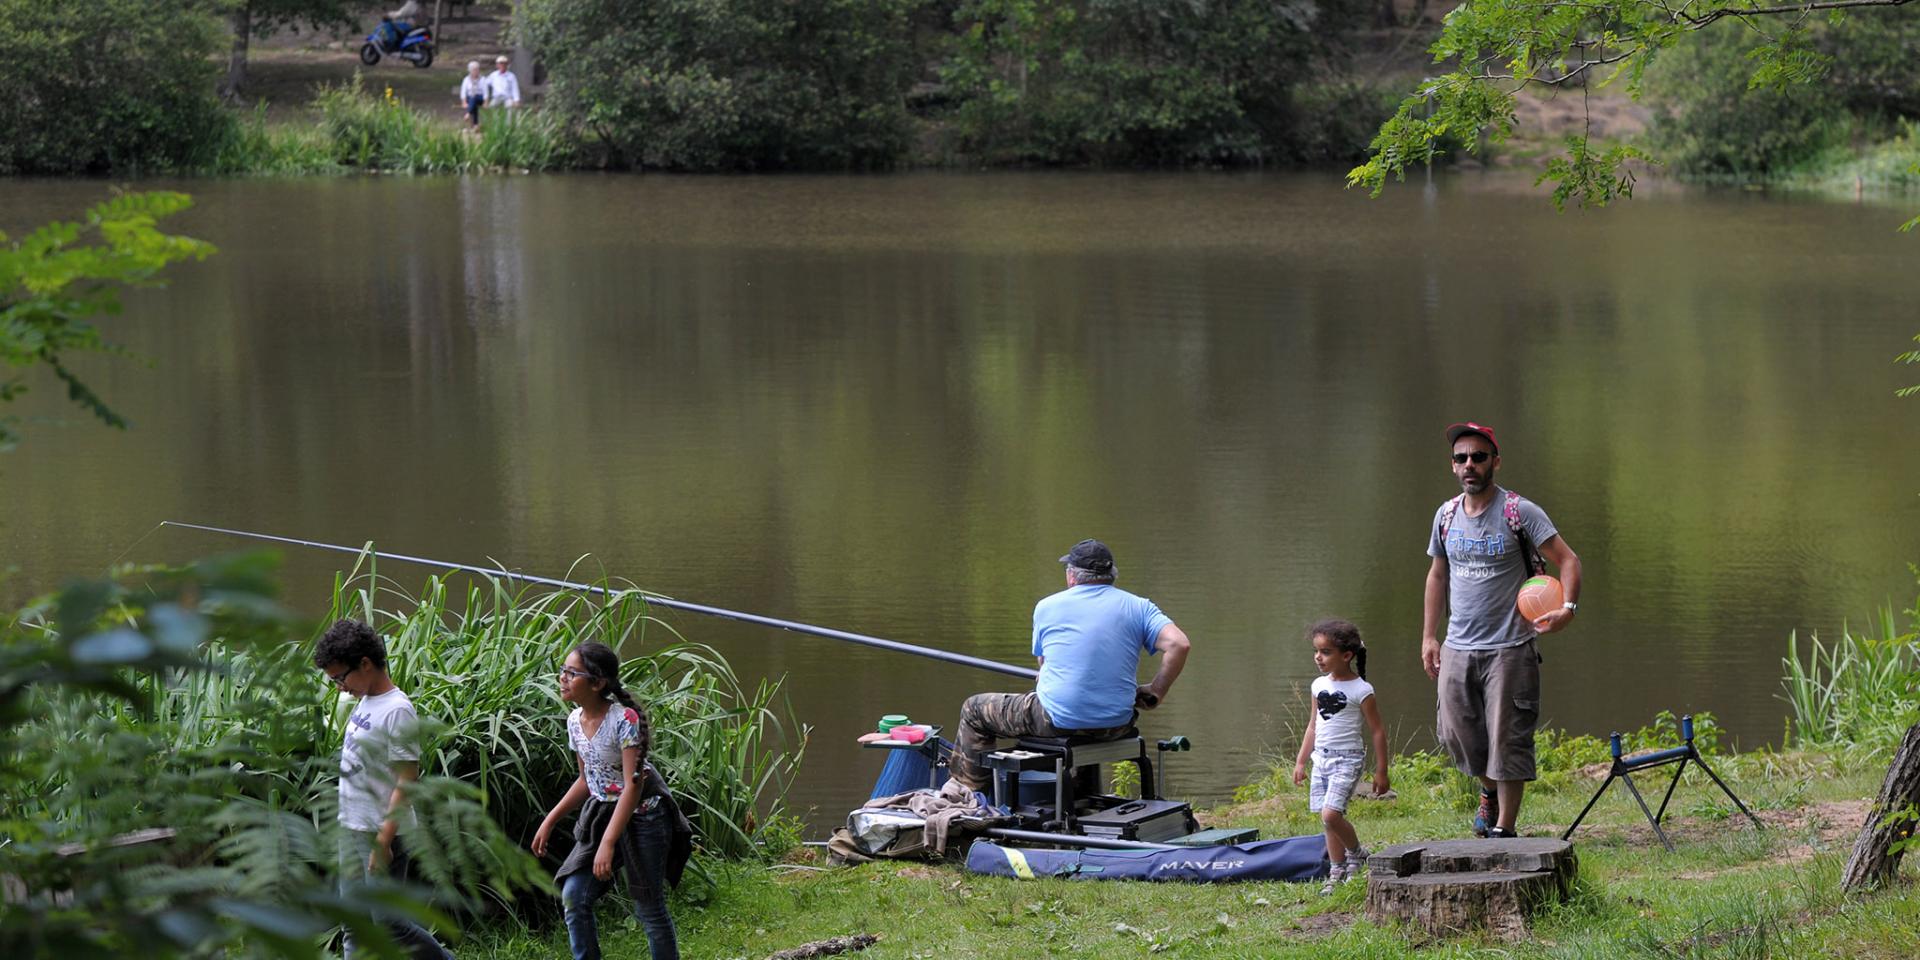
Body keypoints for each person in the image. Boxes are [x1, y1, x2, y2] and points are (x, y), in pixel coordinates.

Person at [1422, 421, 1582, 838]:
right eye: (1462, 458)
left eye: (1478, 457)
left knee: (1508, 739)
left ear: (1495, 461)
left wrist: (1567, 608)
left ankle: (1504, 830)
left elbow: (1569, 560)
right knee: (1456, 734)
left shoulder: (1518, 512)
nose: (1470, 464)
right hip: (1458, 644)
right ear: (1453, 466)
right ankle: (1488, 790)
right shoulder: (1446, 515)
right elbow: (1437, 575)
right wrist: (1428, 636)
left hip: (1511, 647)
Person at [948, 539, 1192, 793]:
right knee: (1082, 713)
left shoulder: (1047, 606)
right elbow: (1179, 644)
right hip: (1118, 724)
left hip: (1058, 720)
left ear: (1071, 575)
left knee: (974, 710)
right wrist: (1156, 691)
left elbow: (1043, 670)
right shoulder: (1140, 607)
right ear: (1112, 575)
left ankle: (970, 797)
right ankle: (1081, 797)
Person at [312, 619, 454, 960]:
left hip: (383, 834)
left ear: (365, 664)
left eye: (339, 678)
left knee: (390, 925)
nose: (338, 687)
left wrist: (383, 841)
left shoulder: (397, 710)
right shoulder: (364, 700)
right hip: (353, 828)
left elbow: (407, 780)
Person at [531, 642, 679, 960]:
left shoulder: (625, 719)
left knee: (649, 909)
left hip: (644, 816)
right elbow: (587, 781)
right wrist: (550, 819)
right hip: (603, 812)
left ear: (598, 683)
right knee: (574, 896)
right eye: (563, 671)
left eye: (572, 673)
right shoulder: (574, 721)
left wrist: (608, 843)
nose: (563, 678)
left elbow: (633, 786)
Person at [1291, 619, 1389, 895]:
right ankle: (1337, 869)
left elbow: (1378, 731)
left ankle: (1356, 853)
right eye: (1316, 651)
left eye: (1325, 652)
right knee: (1326, 819)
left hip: (1347, 759)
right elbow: (1313, 725)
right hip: (1320, 760)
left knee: (1331, 814)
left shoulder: (1361, 690)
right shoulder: (1318, 685)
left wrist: (1381, 771)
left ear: (1346, 656)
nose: (1318, 658)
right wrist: (1301, 761)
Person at [459, 61, 487, 128]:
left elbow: (486, 92)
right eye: (474, 70)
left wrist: (486, 102)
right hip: (470, 98)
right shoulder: (466, 79)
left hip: (480, 98)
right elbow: (463, 92)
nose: (476, 71)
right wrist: (464, 102)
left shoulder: (483, 79)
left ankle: (468, 114)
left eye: (477, 69)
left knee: (474, 98)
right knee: (473, 101)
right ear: (470, 71)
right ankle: (475, 125)